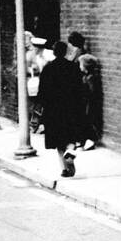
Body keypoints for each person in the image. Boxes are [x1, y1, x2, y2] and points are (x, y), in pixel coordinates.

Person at [36, 40, 85, 177]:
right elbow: (80, 89)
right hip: (71, 108)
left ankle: (64, 169)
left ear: (54, 52)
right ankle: (70, 151)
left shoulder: (48, 68)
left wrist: (43, 108)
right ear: (65, 52)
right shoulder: (73, 67)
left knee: (58, 140)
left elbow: (42, 92)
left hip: (53, 110)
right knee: (71, 136)